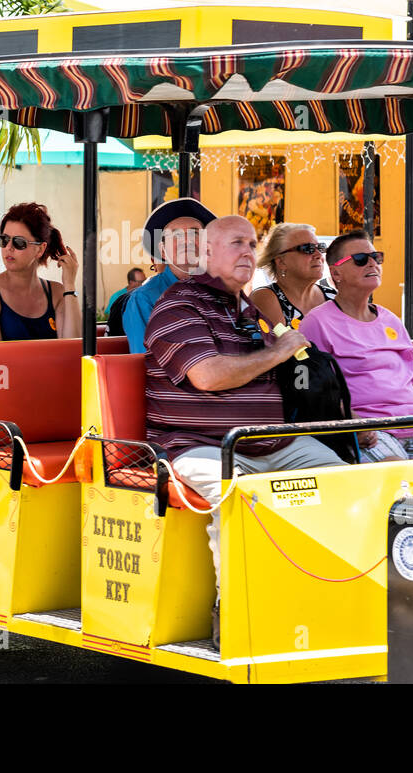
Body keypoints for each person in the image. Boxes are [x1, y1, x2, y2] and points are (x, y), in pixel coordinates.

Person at [143, 214, 344, 645]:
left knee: (342, 481)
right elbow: (209, 376)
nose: (249, 253)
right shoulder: (179, 306)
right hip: (196, 445)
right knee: (237, 495)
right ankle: (232, 611)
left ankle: (321, 602)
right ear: (205, 253)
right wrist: (282, 350)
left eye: (253, 244)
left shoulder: (247, 309)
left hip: (266, 441)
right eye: (237, 243)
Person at [299, 230, 413, 462]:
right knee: (401, 482)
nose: (372, 263)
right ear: (336, 273)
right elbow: (318, 388)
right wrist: (352, 423)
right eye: (361, 259)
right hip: (371, 430)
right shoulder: (317, 322)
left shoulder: (390, 319)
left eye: (376, 257)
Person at [0, 202, 80, 342]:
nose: (9, 247)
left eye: (19, 242)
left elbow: (74, 350)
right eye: (3, 240)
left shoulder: (57, 293)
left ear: (40, 249)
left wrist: (70, 285)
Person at [122, 198, 216, 353]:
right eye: (176, 235)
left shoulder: (223, 291)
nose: (187, 241)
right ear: (163, 251)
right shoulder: (144, 299)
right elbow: (146, 360)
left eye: (195, 233)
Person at [251, 222, 335, 329]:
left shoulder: (333, 297)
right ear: (281, 262)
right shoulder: (266, 298)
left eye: (320, 247)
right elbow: (280, 344)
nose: (318, 255)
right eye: (307, 248)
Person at [103, 267, 146, 337]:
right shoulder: (118, 297)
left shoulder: (144, 296)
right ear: (131, 282)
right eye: (141, 282)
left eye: (145, 281)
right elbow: (108, 316)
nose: (143, 284)